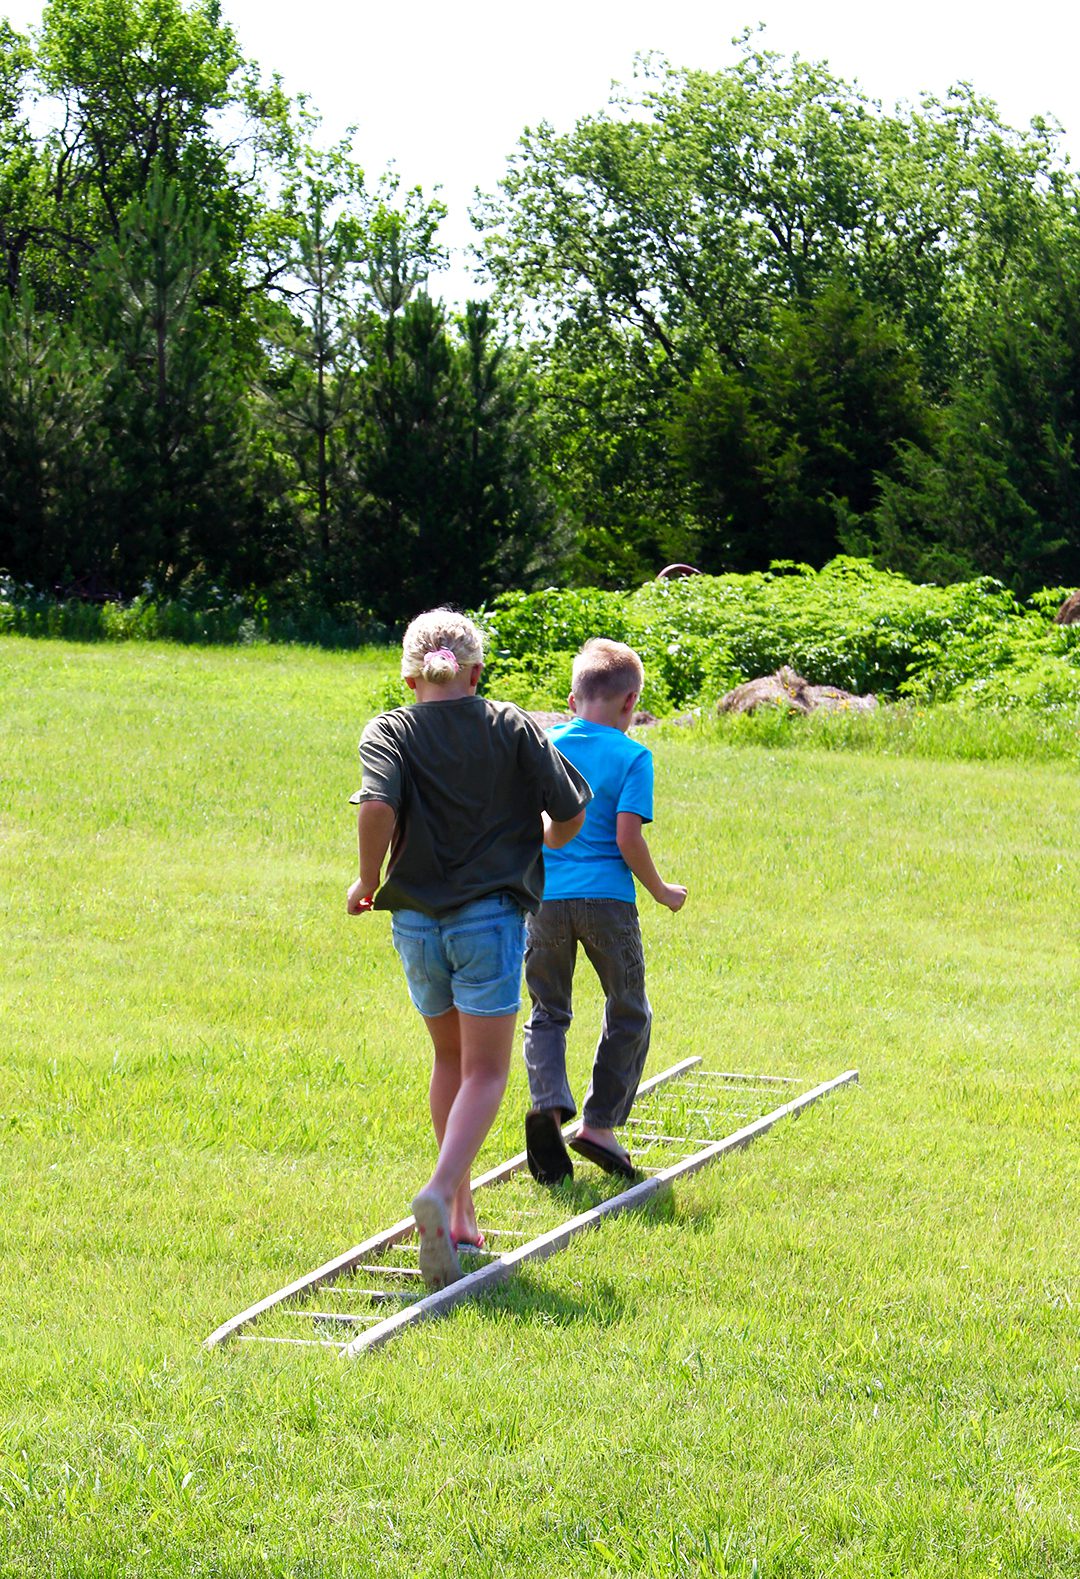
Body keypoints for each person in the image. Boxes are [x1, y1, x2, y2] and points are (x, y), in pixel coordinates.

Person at [347, 609, 590, 1290]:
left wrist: (367, 881)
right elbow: (569, 812)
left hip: (416, 925)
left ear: (408, 673)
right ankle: (440, 1188)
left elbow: (375, 807)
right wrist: (543, 836)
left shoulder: (388, 728)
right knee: (487, 1071)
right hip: (489, 920)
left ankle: (460, 1219)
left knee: (448, 1058)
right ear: (477, 671)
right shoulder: (510, 722)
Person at [522, 638, 687, 1185]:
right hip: (608, 904)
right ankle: (600, 1126)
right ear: (630, 703)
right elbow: (627, 839)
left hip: (544, 898)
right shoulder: (633, 756)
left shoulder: (544, 745)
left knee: (548, 1010)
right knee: (628, 1008)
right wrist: (661, 890)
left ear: (572, 700)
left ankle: (548, 1104)